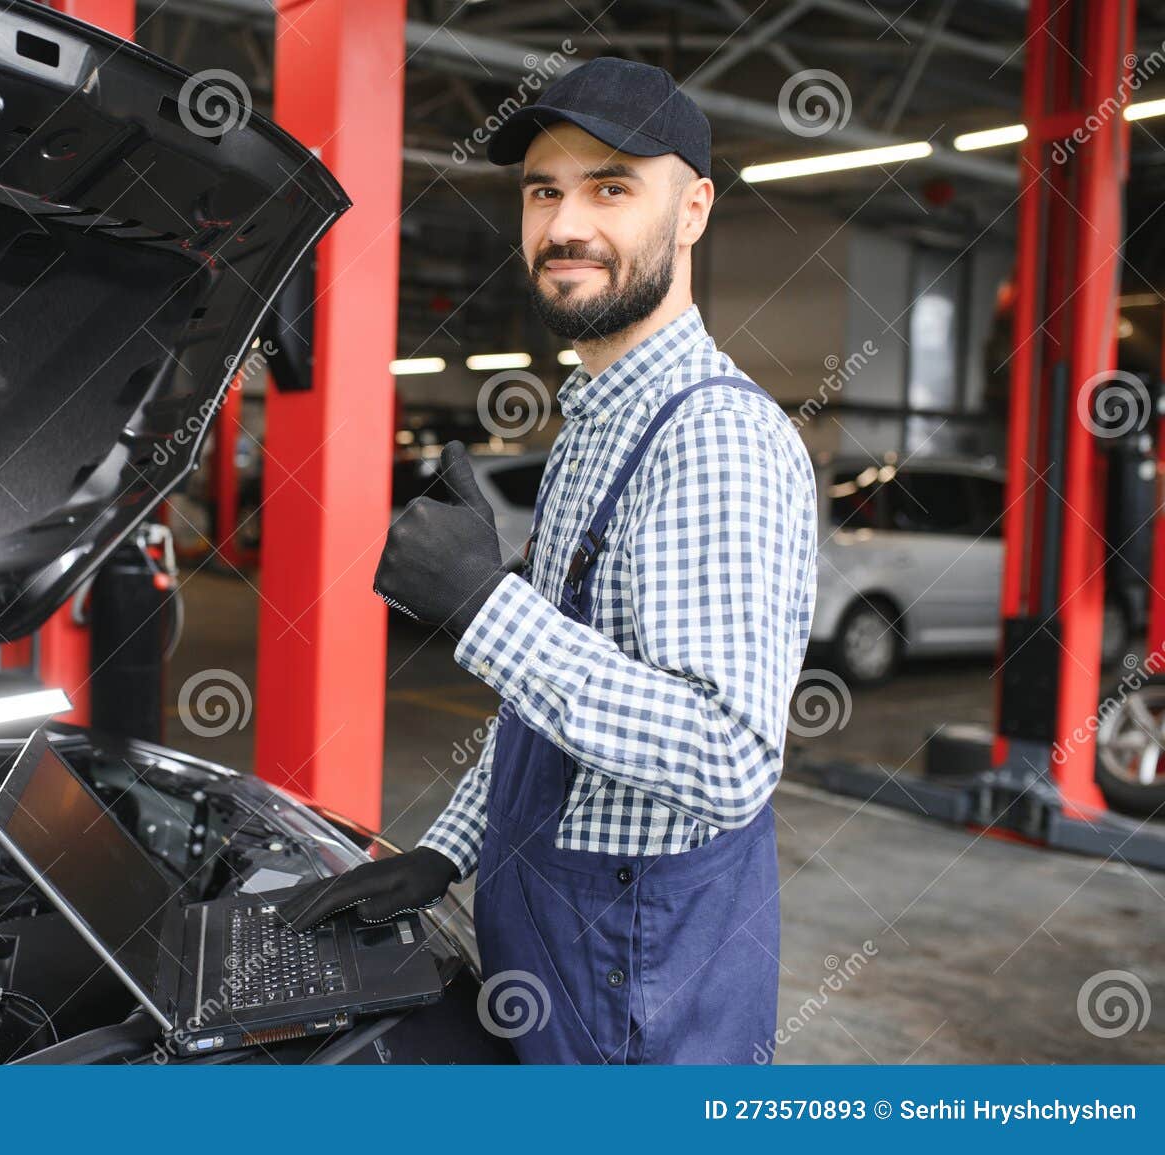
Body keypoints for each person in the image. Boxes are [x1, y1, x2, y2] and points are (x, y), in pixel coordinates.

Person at [277, 58, 819, 1064]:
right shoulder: (591, 424)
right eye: (543, 192)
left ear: (692, 210)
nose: (566, 225)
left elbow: (728, 757)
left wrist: (486, 610)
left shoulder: (714, 440)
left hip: (638, 972)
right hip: (553, 930)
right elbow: (550, 700)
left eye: (611, 187)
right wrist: (449, 845)